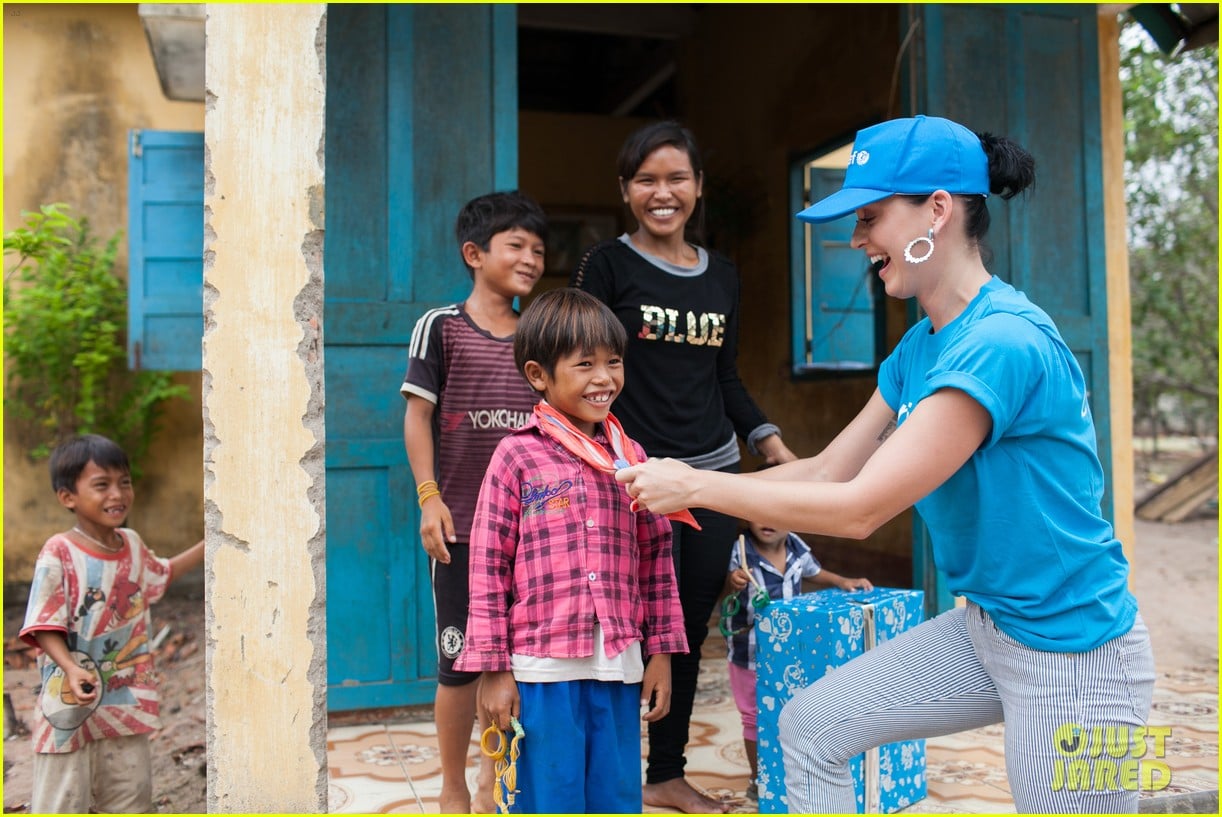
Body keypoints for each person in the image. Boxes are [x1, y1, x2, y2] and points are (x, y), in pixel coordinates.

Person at [617, 115, 1156, 813]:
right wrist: (680, 488)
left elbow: (863, 507)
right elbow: (828, 470)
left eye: (870, 217)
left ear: (938, 208)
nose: (857, 239)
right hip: (988, 628)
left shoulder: (1002, 341)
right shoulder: (919, 350)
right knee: (809, 727)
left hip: (1079, 654)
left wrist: (692, 483)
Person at [571, 119, 797, 813]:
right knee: (618, 623)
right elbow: (587, 365)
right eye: (646, 179)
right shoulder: (605, 266)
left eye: (676, 178)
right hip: (631, 477)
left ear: (697, 187)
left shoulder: (722, 274)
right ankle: (601, 768)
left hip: (712, 473)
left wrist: (775, 450)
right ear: (625, 190)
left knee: (684, 625)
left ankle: (665, 770)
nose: (661, 192)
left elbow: (725, 378)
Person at [455, 287, 688, 814]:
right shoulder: (517, 456)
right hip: (541, 669)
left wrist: (662, 654)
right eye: (584, 364)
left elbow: (656, 560)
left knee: (615, 796)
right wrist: (494, 670)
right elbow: (488, 568)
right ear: (539, 375)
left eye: (613, 362)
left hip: (619, 662)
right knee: (547, 796)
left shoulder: (633, 459)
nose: (604, 378)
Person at [400, 190, 548, 813]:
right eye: (516, 245)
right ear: (474, 253)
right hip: (460, 533)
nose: (532, 259)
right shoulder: (442, 327)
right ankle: (454, 786)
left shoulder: (540, 335)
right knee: (460, 663)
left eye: (539, 249)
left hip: (532, 533)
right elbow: (417, 417)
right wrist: (428, 496)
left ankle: (497, 777)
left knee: (522, 663)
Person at [19, 433, 205, 814]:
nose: (117, 495)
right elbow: (43, 623)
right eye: (101, 485)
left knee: (130, 796)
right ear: (68, 497)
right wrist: (71, 668)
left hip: (126, 702)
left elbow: (162, 575)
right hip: (70, 705)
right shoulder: (59, 551)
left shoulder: (132, 544)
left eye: (124, 483)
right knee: (63, 798)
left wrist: (212, 542)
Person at [722, 517, 873, 800]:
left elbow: (813, 571)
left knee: (792, 711)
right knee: (754, 716)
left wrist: (842, 581)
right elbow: (729, 584)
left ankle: (795, 773)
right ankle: (759, 779)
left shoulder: (795, 546)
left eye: (777, 512)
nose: (768, 521)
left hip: (790, 651)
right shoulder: (741, 550)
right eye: (759, 512)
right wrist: (734, 581)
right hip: (748, 651)